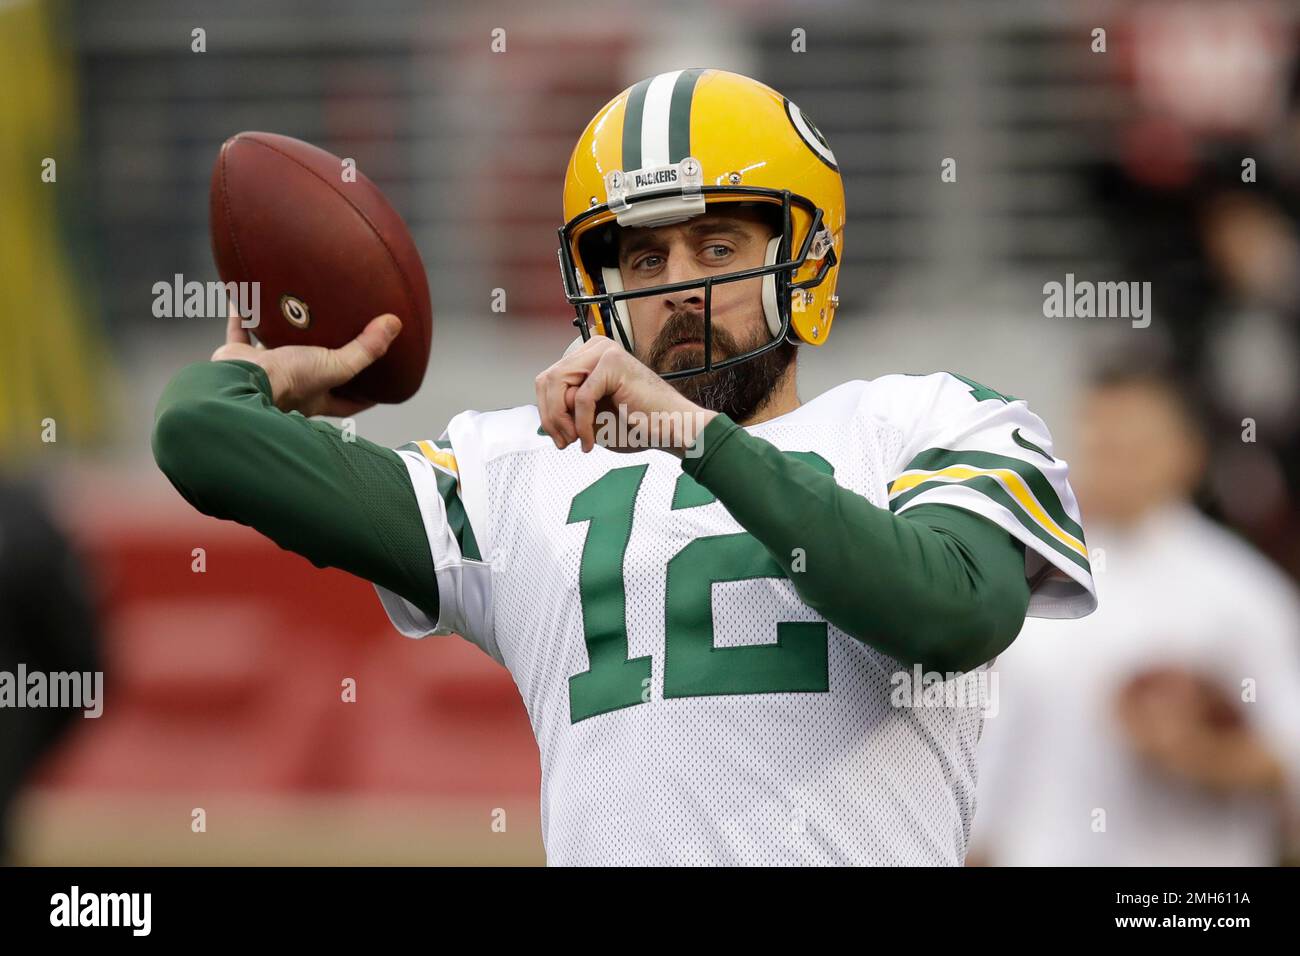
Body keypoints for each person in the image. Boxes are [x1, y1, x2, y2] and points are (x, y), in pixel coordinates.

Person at [152, 69, 1096, 865]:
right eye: (644, 260)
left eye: (717, 246)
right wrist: (266, 374)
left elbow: (955, 617)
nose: (679, 287)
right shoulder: (520, 468)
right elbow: (201, 439)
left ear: (803, 261)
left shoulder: (925, 421)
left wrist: (697, 439)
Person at [970, 363, 1300, 866]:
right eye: (1101, 442)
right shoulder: (1025, 581)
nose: (1114, 461)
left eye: (1134, 444)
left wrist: (1200, 752)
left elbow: (1288, 756)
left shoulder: (1242, 594)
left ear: (1188, 453)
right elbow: (991, 761)